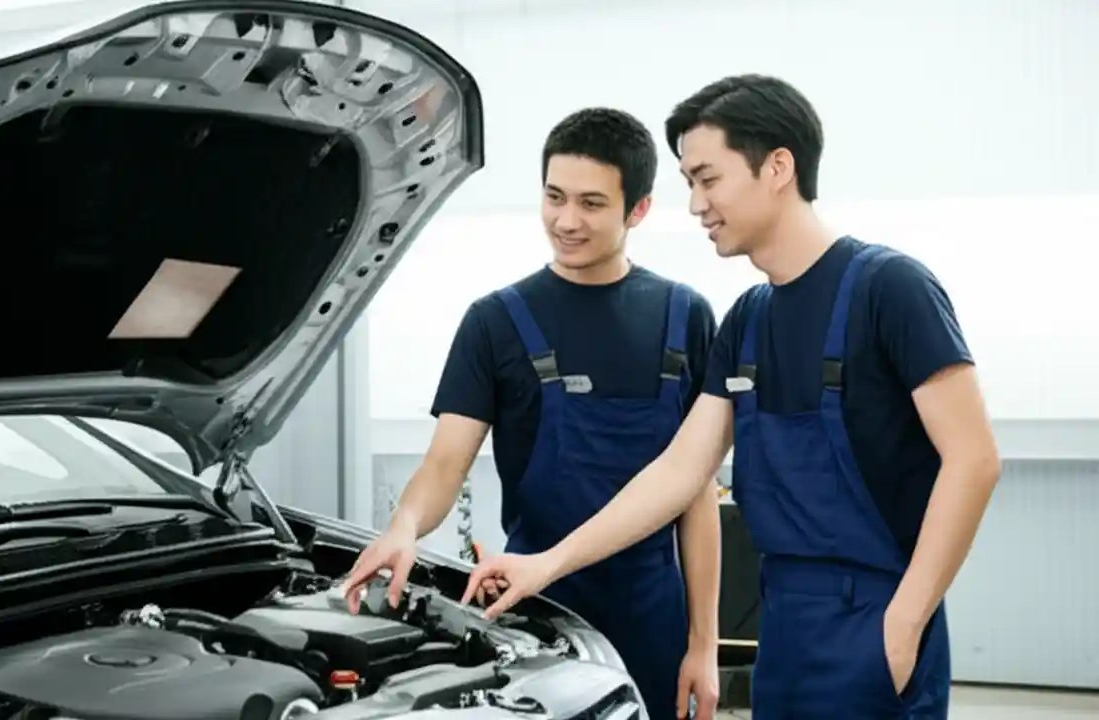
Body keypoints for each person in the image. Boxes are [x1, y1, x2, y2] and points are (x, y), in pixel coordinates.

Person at [461, 75, 1001, 720]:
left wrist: (905, 620)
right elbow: (679, 470)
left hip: (876, 617)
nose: (695, 204)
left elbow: (973, 459)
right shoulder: (748, 318)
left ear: (777, 167)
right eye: (689, 182)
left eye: (708, 179)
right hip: (784, 626)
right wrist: (545, 564)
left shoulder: (891, 289)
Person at [338, 107, 722, 719]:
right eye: (554, 197)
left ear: (639, 209)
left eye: (592, 204)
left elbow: (695, 497)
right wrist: (403, 527)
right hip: (536, 616)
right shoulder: (495, 322)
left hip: (656, 620)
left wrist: (703, 645)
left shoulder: (686, 317)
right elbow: (444, 466)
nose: (566, 221)